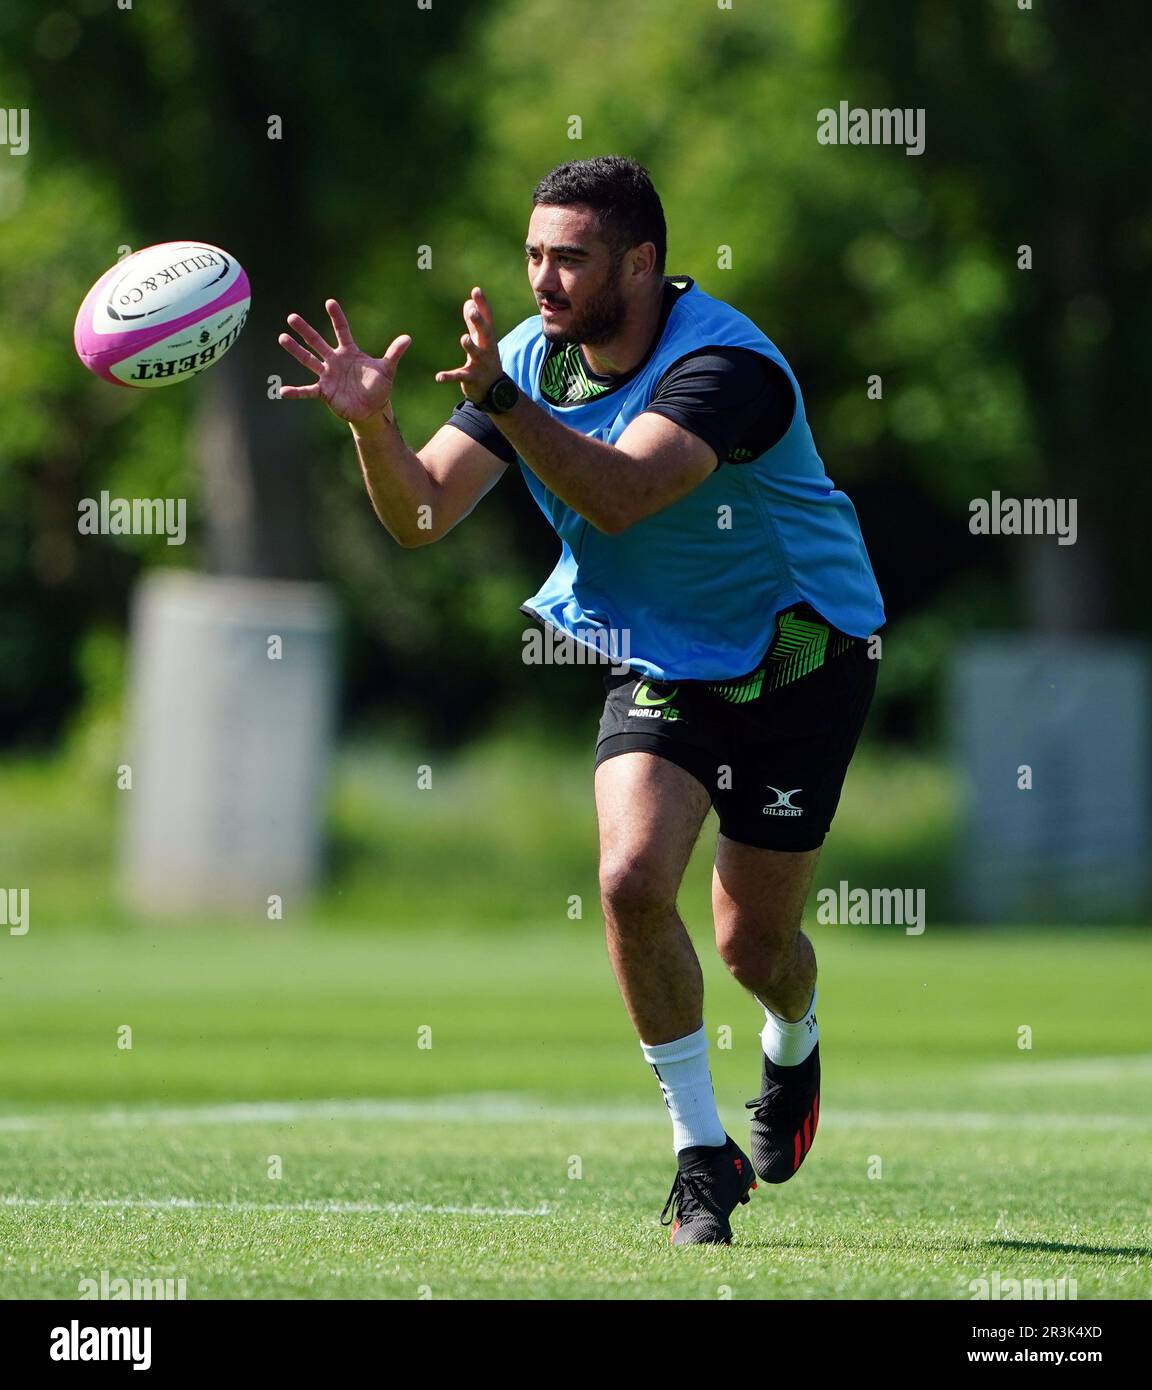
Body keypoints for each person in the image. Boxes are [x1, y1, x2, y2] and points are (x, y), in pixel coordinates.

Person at [279, 155, 884, 1245]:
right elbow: (421, 518)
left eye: (571, 258)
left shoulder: (724, 366)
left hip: (799, 654)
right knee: (629, 877)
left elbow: (625, 495)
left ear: (640, 264)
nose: (543, 280)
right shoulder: (527, 361)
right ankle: (701, 1156)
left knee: (754, 946)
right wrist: (374, 426)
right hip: (662, 659)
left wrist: (503, 403)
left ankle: (793, 1034)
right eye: (533, 256)